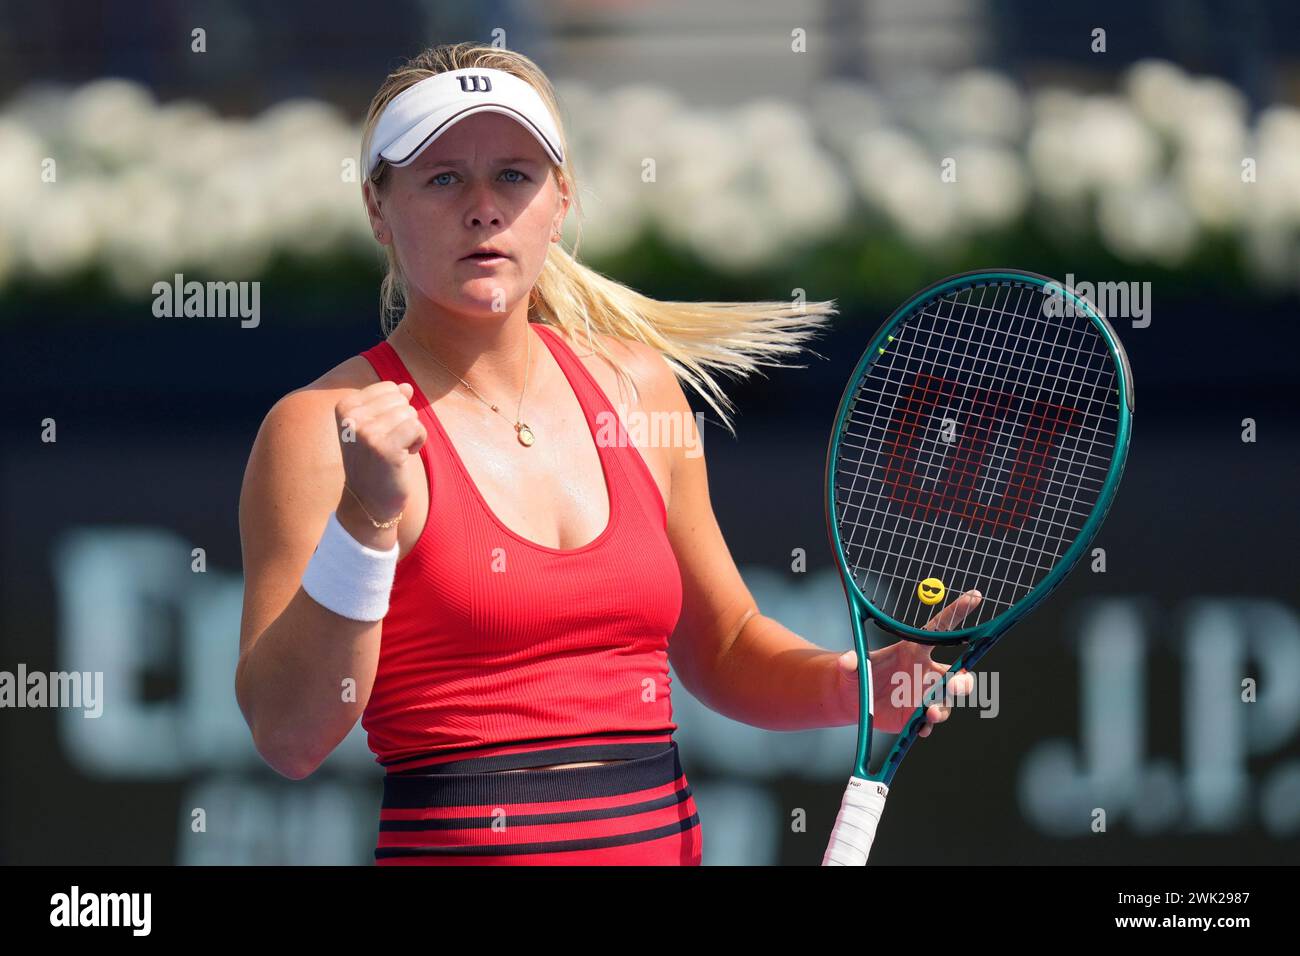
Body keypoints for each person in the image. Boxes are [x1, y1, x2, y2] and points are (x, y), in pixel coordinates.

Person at [235, 41, 976, 865]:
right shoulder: (318, 428)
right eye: (443, 178)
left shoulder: (638, 388)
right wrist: (364, 517)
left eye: (514, 175)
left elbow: (725, 646)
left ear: (561, 200)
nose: (483, 207)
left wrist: (856, 686)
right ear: (378, 208)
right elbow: (289, 734)